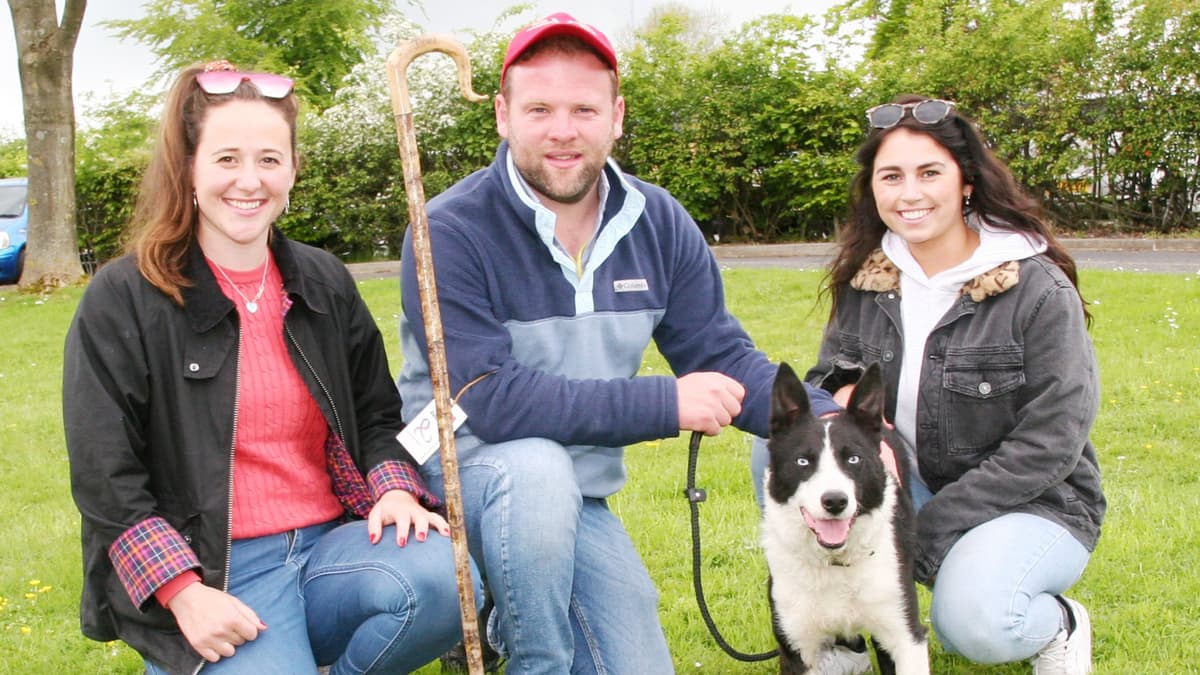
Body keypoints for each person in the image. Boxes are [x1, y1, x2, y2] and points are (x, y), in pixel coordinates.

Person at [395, 12, 839, 674]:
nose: (563, 130)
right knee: (536, 470)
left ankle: (512, 604)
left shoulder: (656, 219)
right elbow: (484, 396)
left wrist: (828, 419)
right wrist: (665, 403)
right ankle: (516, 643)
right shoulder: (450, 229)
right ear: (501, 114)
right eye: (539, 108)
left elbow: (720, 358)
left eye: (584, 108)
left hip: (574, 492)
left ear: (617, 115)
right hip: (457, 470)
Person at [63, 61, 475, 675]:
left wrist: (391, 486)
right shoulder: (126, 297)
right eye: (227, 159)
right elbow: (106, 475)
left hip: (330, 547)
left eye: (269, 160)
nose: (249, 181)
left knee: (447, 580)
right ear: (190, 169)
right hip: (217, 571)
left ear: (292, 168)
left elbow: (373, 411)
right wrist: (183, 592)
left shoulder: (323, 281)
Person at [789, 94, 1106, 674]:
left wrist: (921, 530)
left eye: (929, 173)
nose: (909, 194)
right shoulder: (867, 278)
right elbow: (825, 380)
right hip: (907, 482)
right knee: (790, 446)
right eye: (892, 176)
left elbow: (1052, 441)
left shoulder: (1037, 289)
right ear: (873, 189)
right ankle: (847, 638)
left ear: (967, 182)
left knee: (979, 625)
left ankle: (1059, 624)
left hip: (1030, 501)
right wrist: (838, 411)